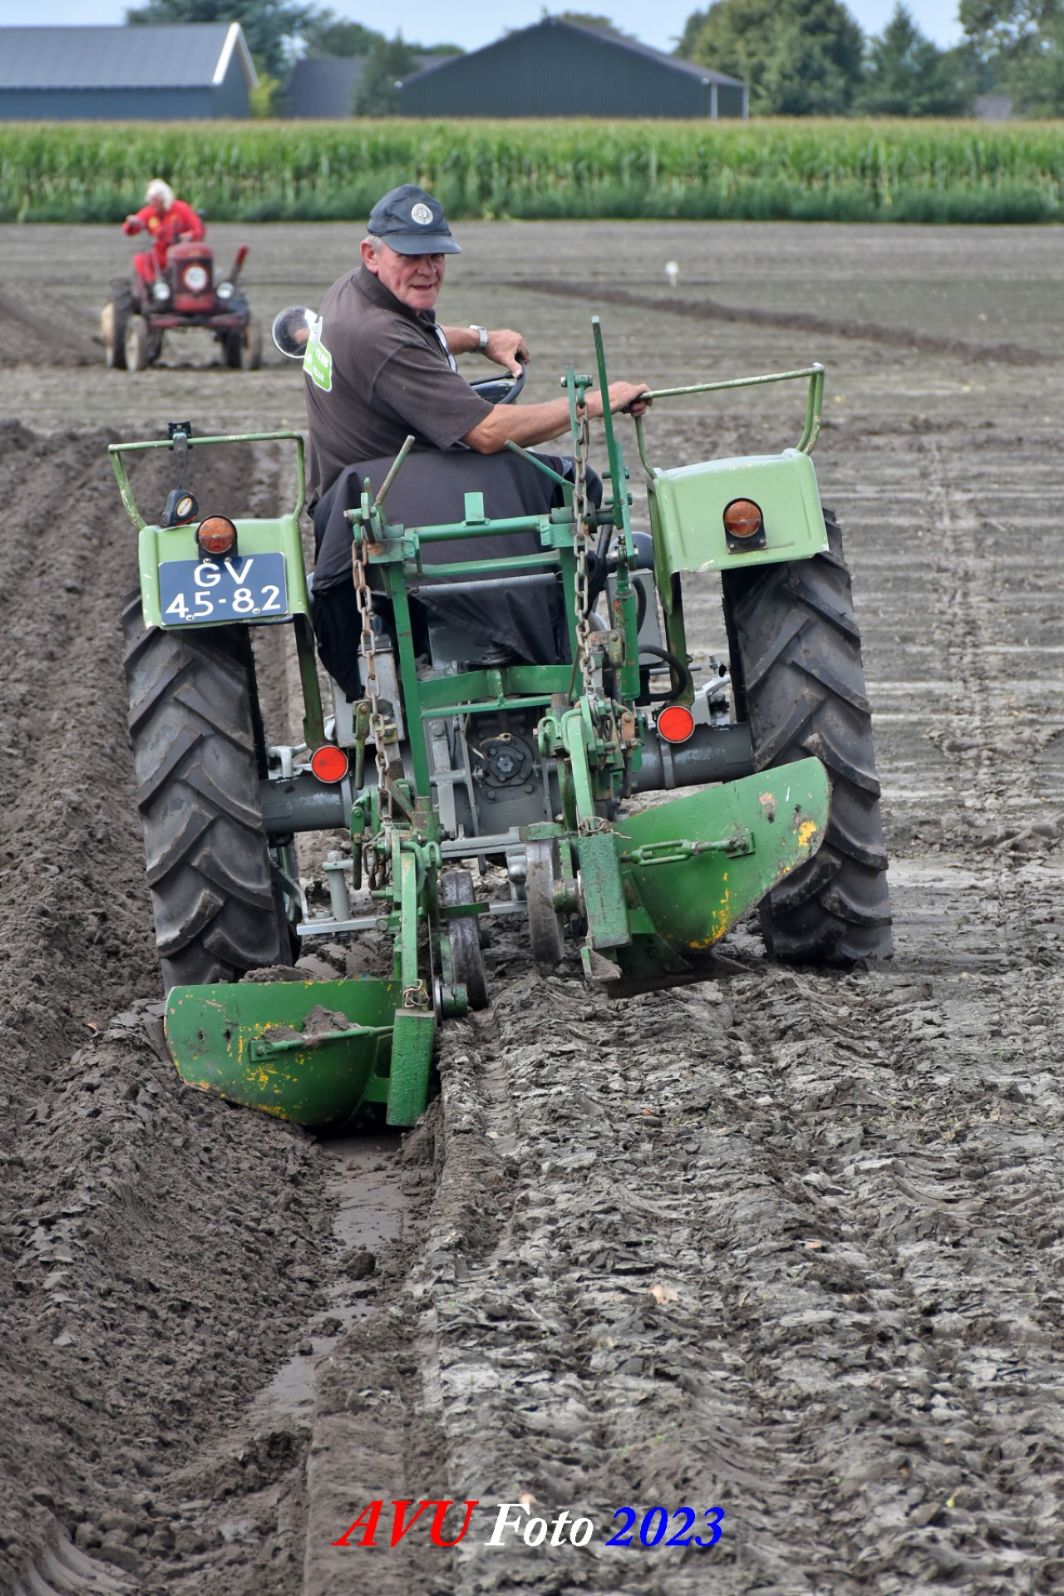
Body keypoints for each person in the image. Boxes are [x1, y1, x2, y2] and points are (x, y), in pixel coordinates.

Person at [304, 183, 650, 691]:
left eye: (436, 254)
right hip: (389, 499)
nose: (427, 268)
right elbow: (486, 431)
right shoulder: (377, 338)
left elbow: (423, 336)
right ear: (371, 254)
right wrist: (594, 404)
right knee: (572, 483)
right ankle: (545, 645)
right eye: (410, 255)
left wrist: (482, 339)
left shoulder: (350, 294)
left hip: (362, 487)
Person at [122, 179, 205, 291]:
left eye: (156, 201)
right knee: (140, 260)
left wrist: (189, 236)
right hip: (161, 254)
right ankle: (157, 286)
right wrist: (131, 223)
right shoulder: (149, 212)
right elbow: (131, 229)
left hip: (182, 254)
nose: (152, 205)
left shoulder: (182, 209)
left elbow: (198, 230)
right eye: (151, 201)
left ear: (164, 199)